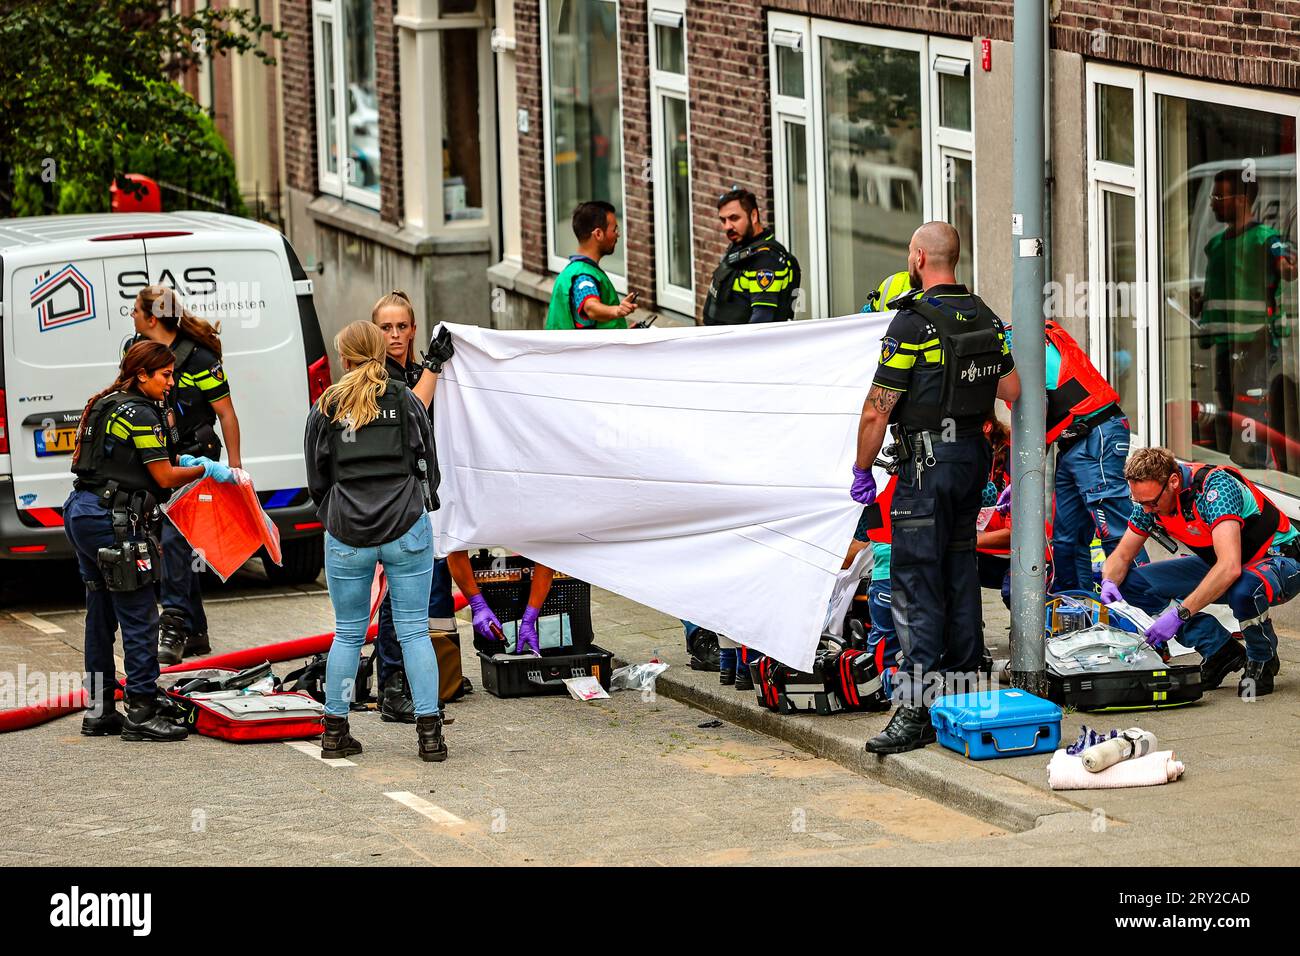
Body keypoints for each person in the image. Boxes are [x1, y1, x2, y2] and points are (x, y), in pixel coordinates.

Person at [850, 221, 1020, 754]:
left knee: (915, 584)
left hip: (924, 465)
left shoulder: (912, 322)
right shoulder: (985, 315)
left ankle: (916, 712)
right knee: (959, 571)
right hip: (971, 459)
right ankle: (965, 693)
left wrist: (860, 468)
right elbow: (1012, 388)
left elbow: (880, 408)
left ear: (919, 257)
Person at [67, 341, 236, 742]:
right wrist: (204, 471)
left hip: (82, 511)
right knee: (140, 614)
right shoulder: (142, 413)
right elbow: (162, 476)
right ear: (142, 374)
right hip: (114, 519)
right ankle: (140, 710)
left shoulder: (104, 402)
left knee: (101, 614)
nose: (171, 382)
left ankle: (99, 710)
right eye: (165, 375)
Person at [305, 321, 454, 762]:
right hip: (405, 525)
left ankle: (334, 733)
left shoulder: (326, 407)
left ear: (345, 358)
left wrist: (334, 511)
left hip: (348, 530)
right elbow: (429, 459)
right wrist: (420, 502)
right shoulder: (404, 399)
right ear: (379, 354)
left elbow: (317, 477)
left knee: (347, 633)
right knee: (413, 632)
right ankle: (430, 737)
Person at [1100, 447, 1299, 697]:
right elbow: (1122, 555)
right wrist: (1109, 582)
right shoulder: (1150, 500)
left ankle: (1262, 657)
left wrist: (1179, 614)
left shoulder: (1216, 489)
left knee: (1244, 589)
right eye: (1140, 502)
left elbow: (1228, 568)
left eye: (1152, 502)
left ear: (1173, 481)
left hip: (1280, 560)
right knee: (1132, 584)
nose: (1147, 510)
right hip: (1228, 563)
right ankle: (1219, 650)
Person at [129, 285, 242, 665]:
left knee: (176, 538)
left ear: (152, 317)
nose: (131, 316)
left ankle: (174, 624)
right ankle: (195, 632)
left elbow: (226, 414)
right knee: (171, 539)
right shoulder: (135, 349)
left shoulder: (200, 358)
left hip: (197, 458)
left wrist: (236, 470)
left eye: (135, 310)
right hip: (157, 456)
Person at [369, 291, 464, 721]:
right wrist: (433, 367)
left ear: (412, 327)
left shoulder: (412, 368)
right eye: (385, 327)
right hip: (387, 500)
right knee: (396, 598)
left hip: (412, 495)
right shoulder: (375, 374)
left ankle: (406, 682)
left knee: (411, 597)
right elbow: (415, 408)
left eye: (401, 326)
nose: (394, 334)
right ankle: (392, 687)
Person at [1002, 317, 1146, 592]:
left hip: (1096, 434)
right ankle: (1074, 613)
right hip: (1073, 442)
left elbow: (1036, 415)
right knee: (1067, 538)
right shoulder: (1019, 339)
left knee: (1114, 530)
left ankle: (1145, 611)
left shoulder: (1017, 349)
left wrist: (1022, 478)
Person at [1194, 169, 1297, 467]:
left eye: (1218, 197)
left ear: (1240, 200)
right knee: (1226, 404)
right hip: (1224, 340)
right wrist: (1202, 304)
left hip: (1256, 341)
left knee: (1252, 408)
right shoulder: (1215, 245)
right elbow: (1217, 291)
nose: (1212, 204)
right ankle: (1229, 464)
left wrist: (1286, 264)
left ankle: (1255, 466)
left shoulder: (1264, 239)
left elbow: (1289, 267)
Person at [702, 188, 800, 325]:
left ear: (753, 216)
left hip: (740, 344)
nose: (727, 226)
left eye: (734, 218)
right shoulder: (741, 245)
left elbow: (761, 319)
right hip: (721, 341)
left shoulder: (766, 261)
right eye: (723, 220)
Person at [544, 200, 637, 331]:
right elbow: (590, 307)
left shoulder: (574, 271)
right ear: (598, 234)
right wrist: (617, 310)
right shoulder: (584, 277)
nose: (618, 234)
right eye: (615, 229)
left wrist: (625, 333)